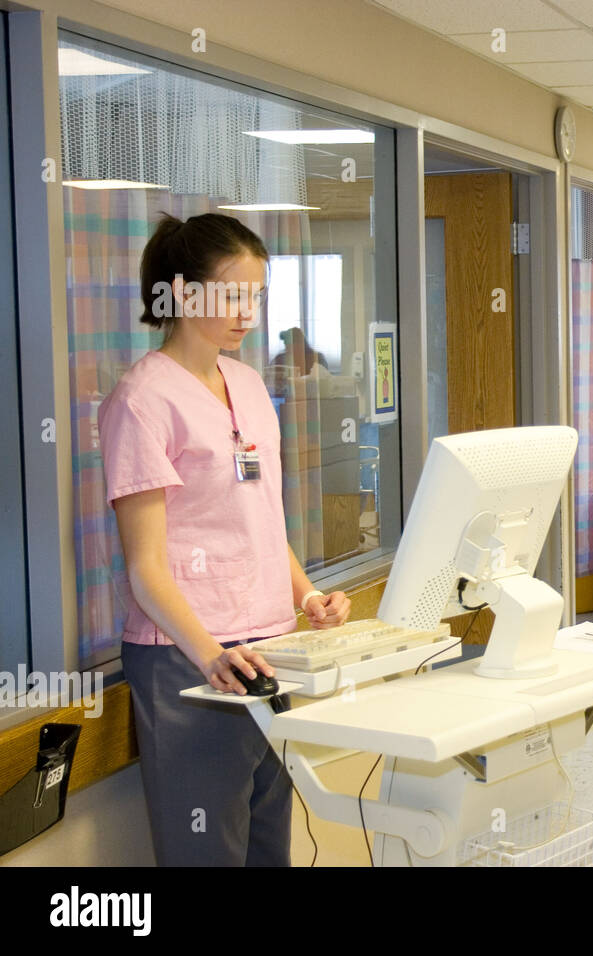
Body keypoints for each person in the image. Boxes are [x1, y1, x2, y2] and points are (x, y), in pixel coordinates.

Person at [98, 212, 352, 866]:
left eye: (256, 297)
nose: (248, 312)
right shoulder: (143, 400)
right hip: (189, 657)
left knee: (270, 841)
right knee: (208, 851)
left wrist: (307, 596)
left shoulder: (246, 384)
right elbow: (146, 567)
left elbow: (263, 521)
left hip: (270, 643)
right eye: (233, 295)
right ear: (183, 295)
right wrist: (212, 655)